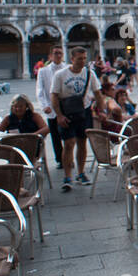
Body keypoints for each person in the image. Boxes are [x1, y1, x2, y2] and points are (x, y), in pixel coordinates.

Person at [51, 47, 100, 192]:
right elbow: (54, 95)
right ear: (72, 59)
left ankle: (81, 172)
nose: (83, 61)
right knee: (69, 143)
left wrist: (101, 110)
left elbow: (97, 92)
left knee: (82, 142)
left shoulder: (90, 73)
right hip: (66, 111)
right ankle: (67, 177)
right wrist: (59, 115)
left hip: (83, 111)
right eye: (80, 58)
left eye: (84, 58)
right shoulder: (60, 75)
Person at [36, 46, 67, 172]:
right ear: (50, 56)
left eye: (60, 53)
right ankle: (60, 159)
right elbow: (40, 90)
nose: (58, 55)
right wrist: (44, 106)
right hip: (51, 109)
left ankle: (68, 158)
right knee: (55, 135)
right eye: (55, 53)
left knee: (67, 135)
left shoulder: (67, 68)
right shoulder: (43, 71)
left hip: (66, 108)